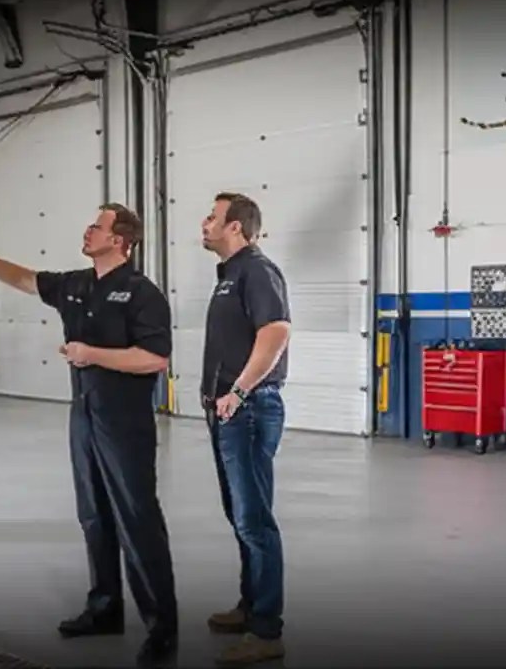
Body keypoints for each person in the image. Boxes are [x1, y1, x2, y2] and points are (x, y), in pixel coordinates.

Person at [0, 204, 179, 667]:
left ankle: (162, 629)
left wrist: (92, 354)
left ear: (119, 241)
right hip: (85, 415)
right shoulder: (76, 284)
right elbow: (22, 278)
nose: (88, 230)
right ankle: (104, 608)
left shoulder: (142, 293)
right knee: (93, 515)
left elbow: (155, 359)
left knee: (137, 519)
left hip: (125, 422)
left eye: (97, 226)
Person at [198, 192, 292, 666]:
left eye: (212, 216)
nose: (204, 222)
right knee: (240, 515)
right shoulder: (230, 275)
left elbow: (275, 331)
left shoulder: (256, 270)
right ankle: (250, 604)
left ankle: (266, 629)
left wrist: (238, 391)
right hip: (228, 411)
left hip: (248, 409)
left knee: (254, 520)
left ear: (235, 226)